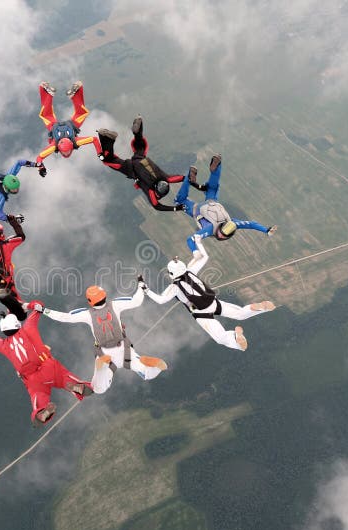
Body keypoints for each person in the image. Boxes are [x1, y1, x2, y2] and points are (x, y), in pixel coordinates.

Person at [141, 235, 276, 350]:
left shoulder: (174, 287)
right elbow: (205, 257)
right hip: (214, 302)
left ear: (171, 274)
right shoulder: (190, 271)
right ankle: (260, 307)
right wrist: (198, 242)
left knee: (221, 338)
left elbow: (161, 300)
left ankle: (235, 338)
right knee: (240, 314)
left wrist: (145, 289)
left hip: (201, 313)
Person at [0, 302, 93, 426]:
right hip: (47, 367)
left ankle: (41, 410)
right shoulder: (28, 327)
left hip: (32, 379)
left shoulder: (2, 344)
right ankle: (74, 385)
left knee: (37, 395)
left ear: (3, 330)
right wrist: (27, 306)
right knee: (63, 377)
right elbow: (39, 306)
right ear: (17, 324)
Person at [34, 284, 167, 394]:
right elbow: (136, 301)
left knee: (98, 388)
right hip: (124, 350)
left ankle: (101, 366)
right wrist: (140, 286)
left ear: (90, 301)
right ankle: (157, 366)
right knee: (146, 373)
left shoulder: (87, 314)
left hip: (105, 352)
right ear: (104, 296)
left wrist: (44, 310)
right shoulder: (115, 305)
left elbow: (65, 317)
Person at [175, 154, 277, 251]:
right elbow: (190, 240)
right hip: (197, 210)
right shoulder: (210, 230)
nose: (220, 235)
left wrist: (266, 230)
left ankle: (217, 166)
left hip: (212, 202)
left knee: (212, 188)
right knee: (180, 201)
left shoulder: (233, 223)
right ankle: (188, 178)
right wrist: (195, 252)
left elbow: (251, 224)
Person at [93, 116, 187, 212]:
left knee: (140, 146)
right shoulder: (151, 190)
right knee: (108, 161)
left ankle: (138, 131)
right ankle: (108, 139)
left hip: (141, 160)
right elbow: (157, 206)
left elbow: (178, 178)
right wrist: (176, 208)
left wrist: (187, 179)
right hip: (131, 169)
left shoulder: (165, 178)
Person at [34, 81, 99, 176]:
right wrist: (40, 167)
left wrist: (100, 154)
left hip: (69, 125)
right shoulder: (55, 146)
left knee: (81, 113)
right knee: (46, 114)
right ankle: (49, 93)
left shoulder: (74, 142)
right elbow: (39, 158)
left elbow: (94, 139)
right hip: (56, 126)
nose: (66, 153)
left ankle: (73, 94)